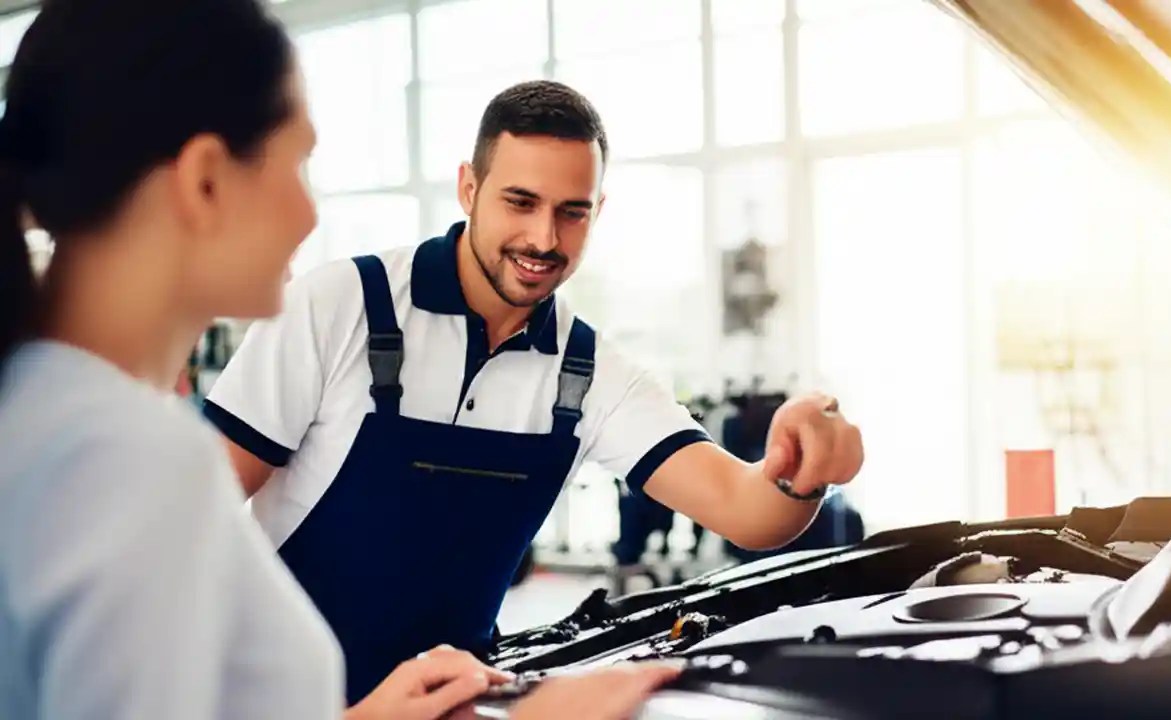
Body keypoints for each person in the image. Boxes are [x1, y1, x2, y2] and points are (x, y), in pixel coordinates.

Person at [0, 1, 677, 718]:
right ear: (205, 181)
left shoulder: (49, 419)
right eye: (298, 163)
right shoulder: (131, 461)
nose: (309, 213)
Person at [204, 78, 867, 701]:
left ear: (597, 211)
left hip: (456, 706)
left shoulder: (588, 369)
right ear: (468, 188)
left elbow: (745, 509)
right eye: (520, 202)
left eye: (572, 213)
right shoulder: (338, 306)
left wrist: (801, 471)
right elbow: (192, 512)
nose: (544, 239)